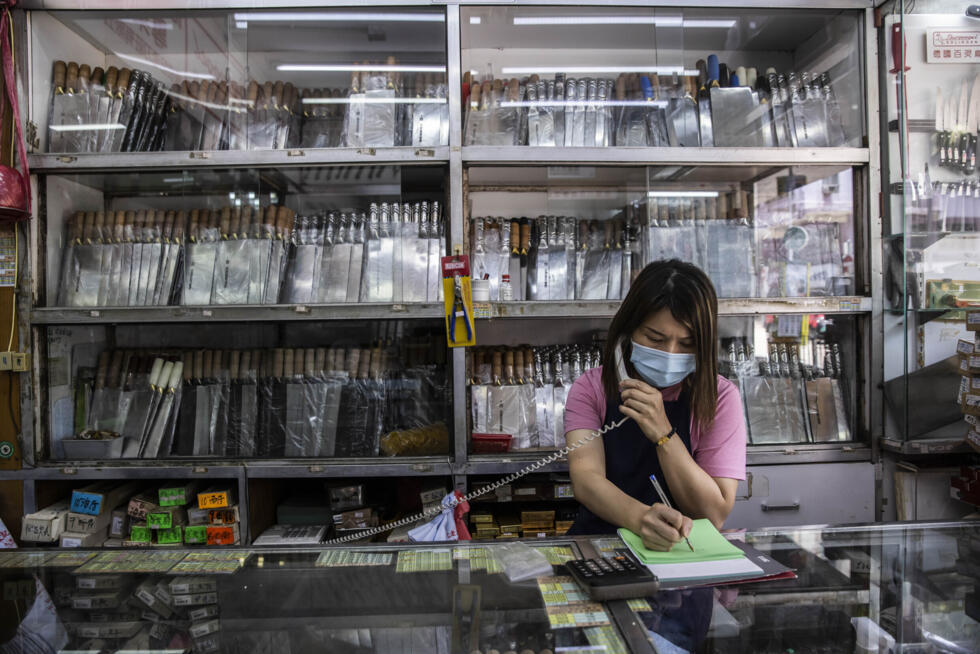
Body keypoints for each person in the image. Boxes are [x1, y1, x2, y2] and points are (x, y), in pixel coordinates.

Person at [564, 260, 747, 551]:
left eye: (687, 344)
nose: (670, 353)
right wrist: (641, 519)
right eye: (655, 338)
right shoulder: (590, 388)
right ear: (628, 331)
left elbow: (713, 513)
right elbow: (586, 480)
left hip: (684, 551)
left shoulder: (721, 397)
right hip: (603, 547)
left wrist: (664, 434)